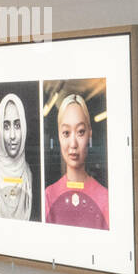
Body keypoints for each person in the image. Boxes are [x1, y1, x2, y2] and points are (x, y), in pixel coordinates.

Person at [43, 94, 109, 229]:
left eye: (80, 132)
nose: (73, 144)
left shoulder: (105, 199)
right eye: (66, 133)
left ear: (89, 134)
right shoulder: (48, 196)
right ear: (59, 136)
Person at [0, 93, 34, 220]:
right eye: (6, 126)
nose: (12, 135)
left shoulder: (29, 174)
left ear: (24, 129)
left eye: (18, 125)